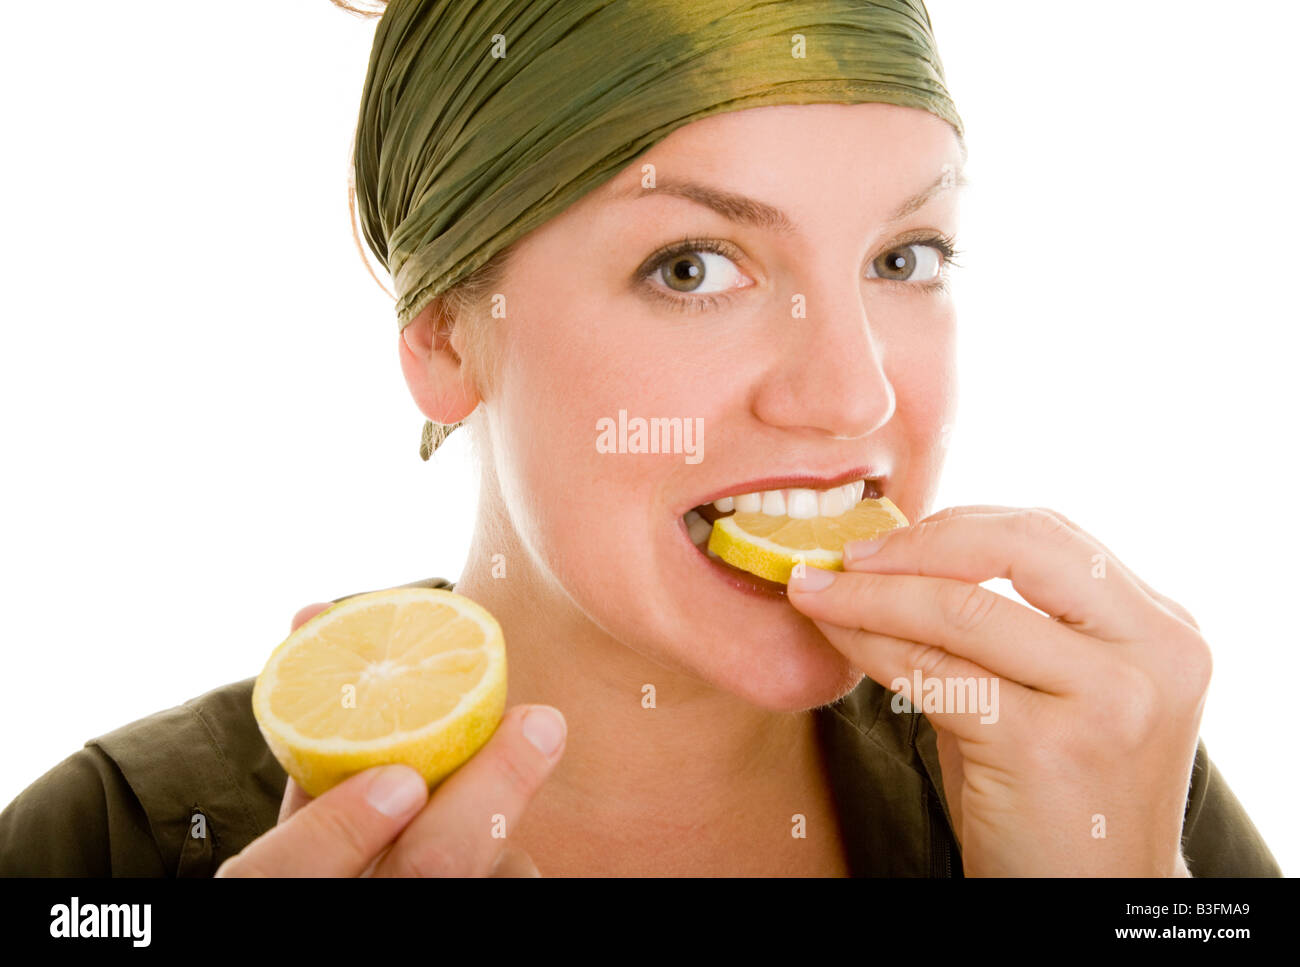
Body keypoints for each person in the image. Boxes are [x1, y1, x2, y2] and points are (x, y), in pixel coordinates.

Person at [0, 0, 1281, 877]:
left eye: (906, 255)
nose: (853, 399)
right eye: (691, 267)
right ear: (448, 335)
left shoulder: (1100, 774)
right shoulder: (107, 846)